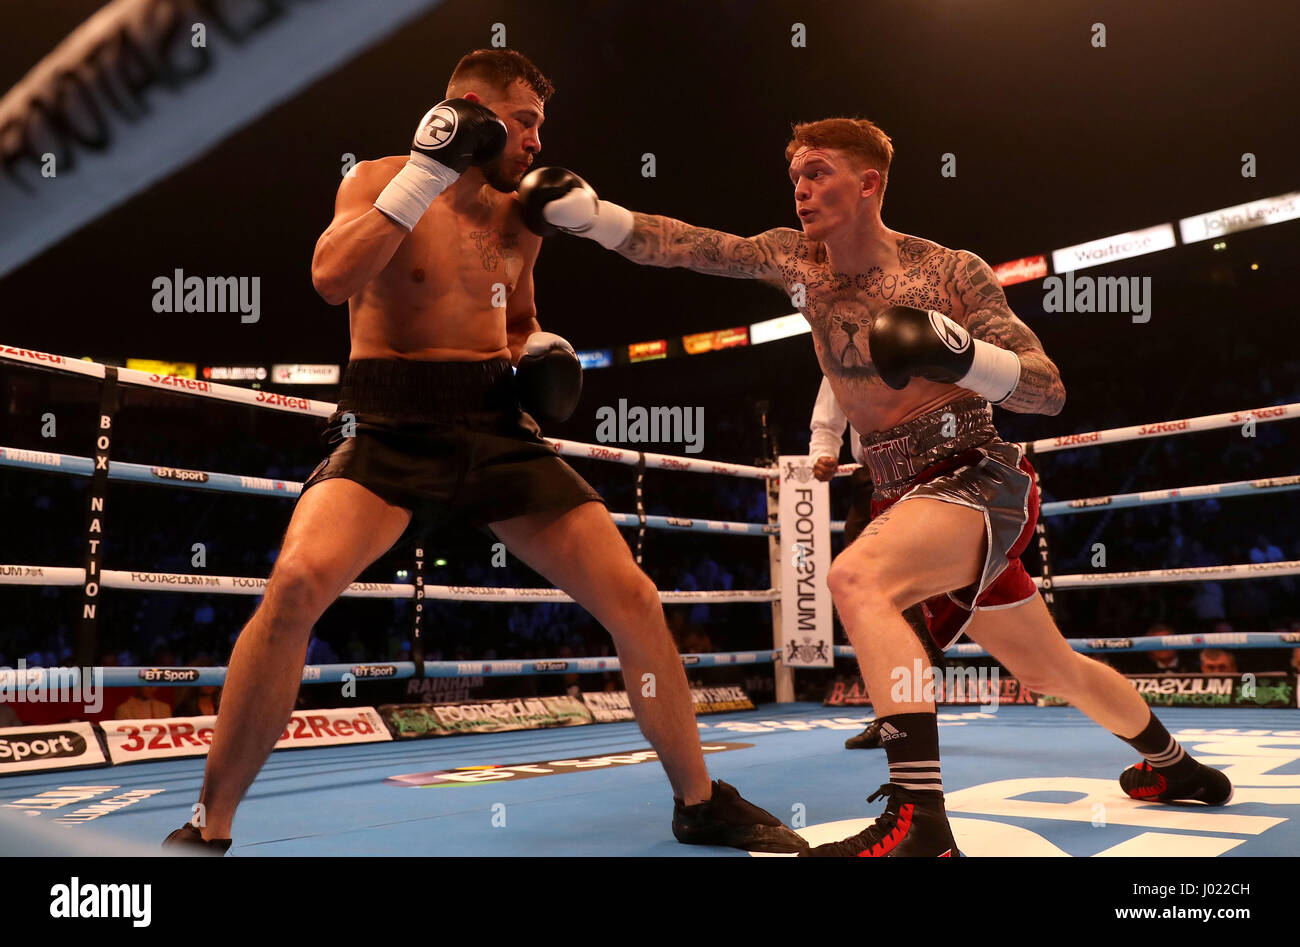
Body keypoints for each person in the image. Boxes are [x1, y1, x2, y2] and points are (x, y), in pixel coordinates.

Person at [520, 116, 1233, 856]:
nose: (800, 188)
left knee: (856, 575)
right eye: (794, 174)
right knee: (1046, 665)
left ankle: (920, 821)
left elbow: (1048, 390)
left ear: (869, 183)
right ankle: (1176, 766)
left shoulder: (951, 271)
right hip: (902, 492)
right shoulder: (798, 262)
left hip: (977, 476)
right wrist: (591, 217)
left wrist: (963, 357)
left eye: (818, 171)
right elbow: (690, 246)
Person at [163, 49, 803, 856]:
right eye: (526, 122)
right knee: (293, 583)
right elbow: (331, 277)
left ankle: (699, 801)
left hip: (498, 427)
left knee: (635, 598)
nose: (537, 142)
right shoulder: (377, 178)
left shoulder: (520, 213)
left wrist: (545, 348)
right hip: (388, 422)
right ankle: (209, 824)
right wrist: (424, 177)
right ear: (476, 111)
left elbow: (517, 320)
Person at [809, 376, 939, 750]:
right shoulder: (838, 353)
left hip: (919, 475)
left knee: (911, 600)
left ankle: (914, 717)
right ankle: (888, 716)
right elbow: (826, 423)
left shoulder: (916, 335)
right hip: (869, 480)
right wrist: (823, 456)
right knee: (860, 598)